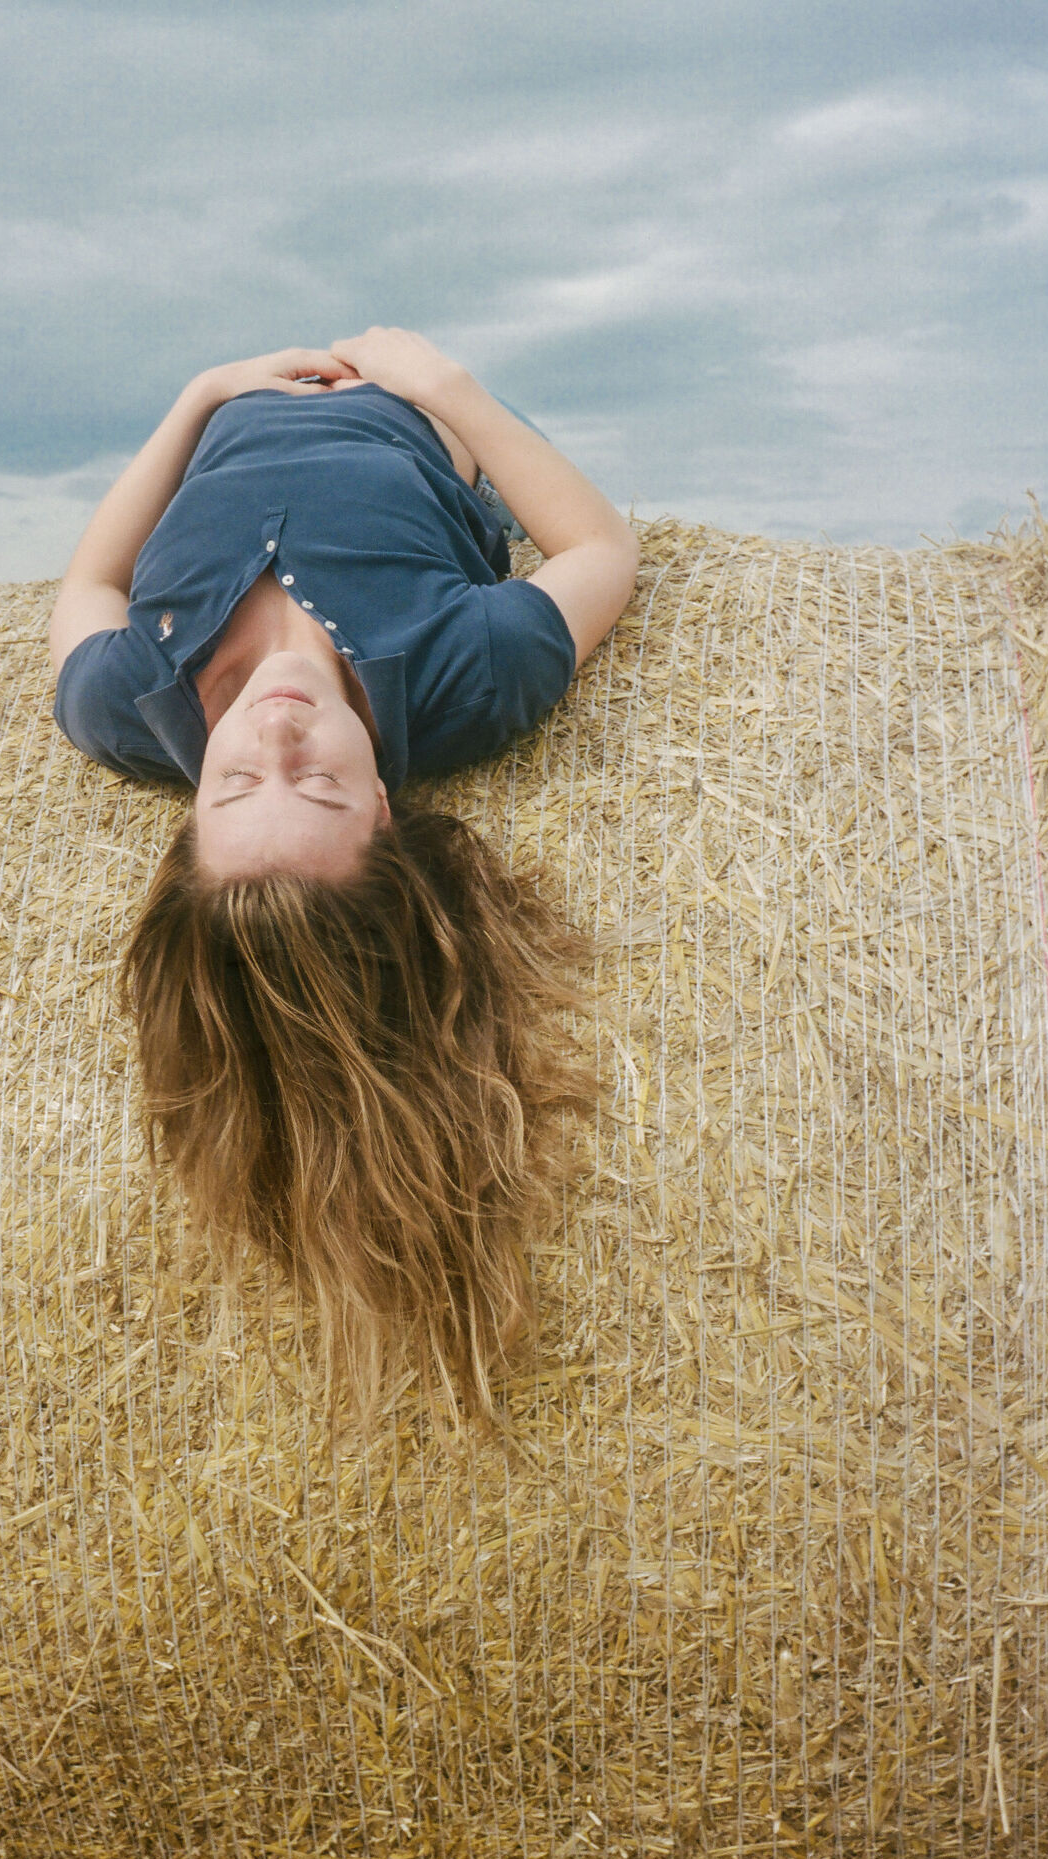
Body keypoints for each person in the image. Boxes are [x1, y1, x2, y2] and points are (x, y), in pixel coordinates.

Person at [47, 328, 638, 1417]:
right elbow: (600, 546)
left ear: (190, 815)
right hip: (421, 419)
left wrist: (202, 392)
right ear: (381, 807)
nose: (276, 736)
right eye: (317, 785)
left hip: (239, 408)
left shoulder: (125, 700)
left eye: (235, 785)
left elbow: (90, 579)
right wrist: (441, 386)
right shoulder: (470, 677)